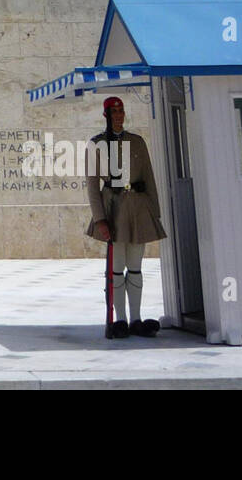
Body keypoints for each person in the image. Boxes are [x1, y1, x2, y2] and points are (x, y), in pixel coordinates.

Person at [85, 95, 165, 338]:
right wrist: (100, 219)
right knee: (117, 268)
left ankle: (136, 318)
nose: (118, 116)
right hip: (114, 209)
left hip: (138, 209)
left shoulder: (137, 142)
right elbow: (91, 185)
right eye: (114, 112)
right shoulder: (96, 144)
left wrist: (154, 214)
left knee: (136, 267)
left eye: (121, 111)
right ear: (106, 116)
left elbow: (149, 178)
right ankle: (120, 319)